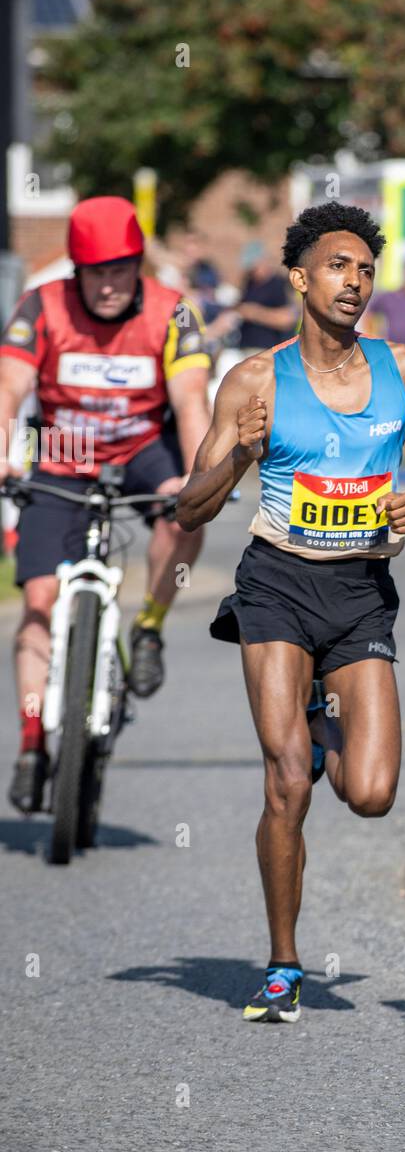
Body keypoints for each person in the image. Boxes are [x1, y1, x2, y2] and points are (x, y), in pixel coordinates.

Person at [175, 202, 405, 1024]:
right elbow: (191, 510)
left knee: (369, 793)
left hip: (359, 592)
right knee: (287, 781)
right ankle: (283, 964)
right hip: (276, 585)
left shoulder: (403, 368)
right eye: (338, 267)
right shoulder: (256, 380)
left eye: (365, 269)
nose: (355, 282)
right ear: (300, 278)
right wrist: (238, 451)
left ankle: (316, 710)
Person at [0, 196, 211, 813]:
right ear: (76, 270)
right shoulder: (40, 306)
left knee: (185, 515)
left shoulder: (173, 311)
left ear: (137, 264)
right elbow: (9, 387)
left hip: (144, 445)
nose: (110, 284)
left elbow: (193, 401)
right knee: (37, 603)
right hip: (63, 451)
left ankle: (148, 627)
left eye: (121, 269)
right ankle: (34, 741)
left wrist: (198, 480)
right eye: (96, 272)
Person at [234, 241, 299, 354]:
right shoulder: (249, 283)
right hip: (245, 348)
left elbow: (287, 319)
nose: (252, 272)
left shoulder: (279, 284)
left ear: (263, 261)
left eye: (255, 268)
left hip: (268, 351)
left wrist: (255, 313)